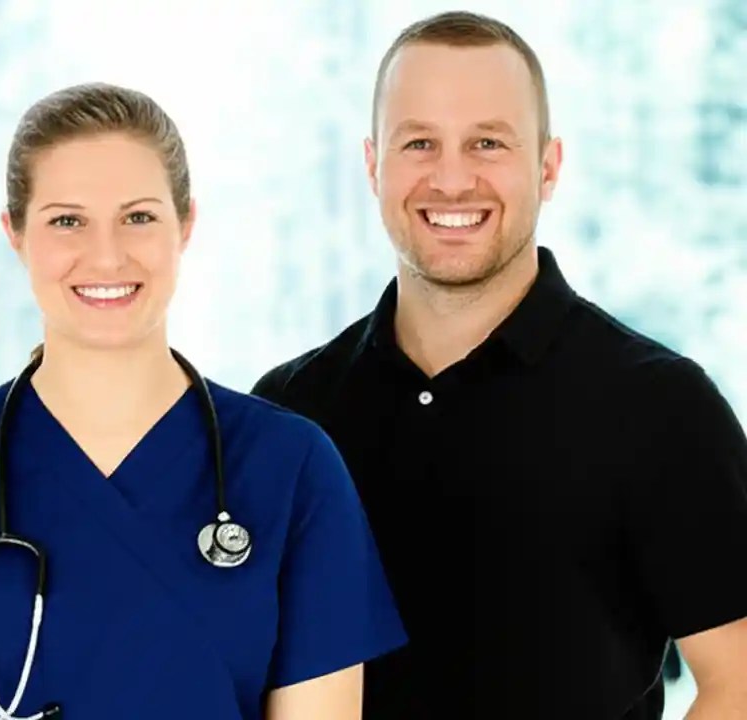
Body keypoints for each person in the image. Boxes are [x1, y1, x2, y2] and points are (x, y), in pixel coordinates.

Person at [0, 82, 407, 720]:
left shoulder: (290, 470)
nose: (105, 255)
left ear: (185, 224)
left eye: (138, 217)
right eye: (67, 220)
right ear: (14, 233)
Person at [252, 10, 747, 720]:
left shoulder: (661, 407)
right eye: (419, 143)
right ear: (373, 166)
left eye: (488, 143)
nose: (452, 181)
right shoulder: (291, 412)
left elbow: (740, 681)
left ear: (547, 166)